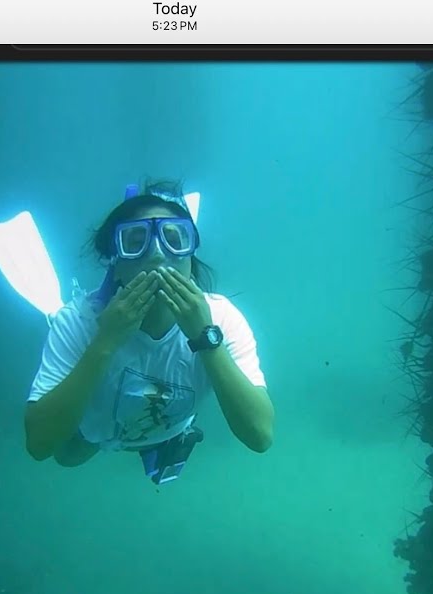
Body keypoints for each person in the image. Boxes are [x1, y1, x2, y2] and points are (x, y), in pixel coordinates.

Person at [23, 180, 274, 484]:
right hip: (97, 434)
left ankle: (167, 442)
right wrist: (105, 341)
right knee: (67, 457)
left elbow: (260, 436)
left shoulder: (222, 318)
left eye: (174, 239)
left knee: (161, 438)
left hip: (172, 427)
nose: (156, 255)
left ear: (190, 255)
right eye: (134, 242)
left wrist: (205, 337)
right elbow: (39, 446)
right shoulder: (79, 322)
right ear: (115, 264)